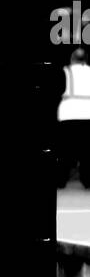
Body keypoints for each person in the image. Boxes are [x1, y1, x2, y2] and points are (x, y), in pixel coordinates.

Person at [58, 47, 90, 186]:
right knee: (87, 152)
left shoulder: (65, 72)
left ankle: (61, 180)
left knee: (65, 152)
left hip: (68, 115)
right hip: (87, 115)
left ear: (72, 59)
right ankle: (87, 180)